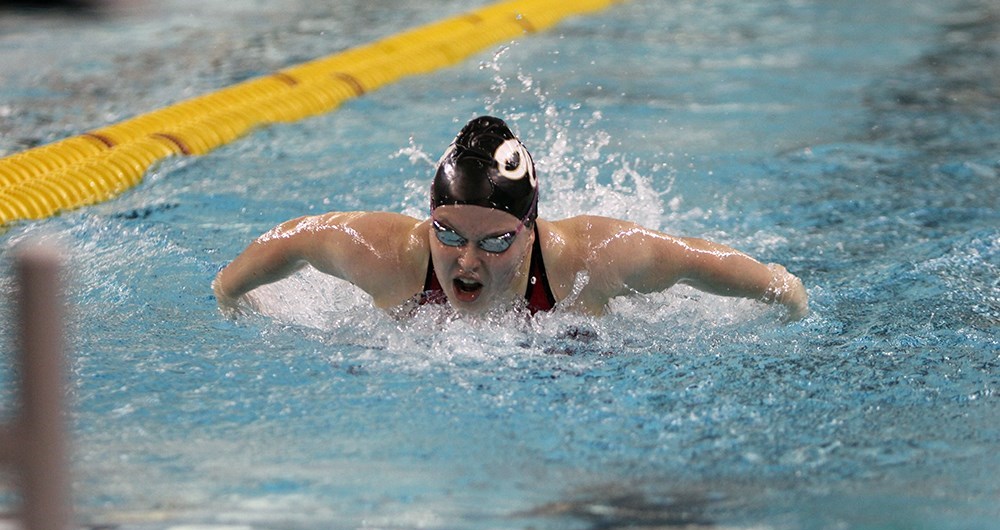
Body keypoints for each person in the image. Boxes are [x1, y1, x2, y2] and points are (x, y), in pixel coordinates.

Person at [213, 116, 808, 321]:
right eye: (447, 234)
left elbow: (690, 260)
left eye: (495, 241)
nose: (466, 261)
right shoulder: (389, 256)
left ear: (528, 231)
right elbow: (296, 240)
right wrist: (231, 296)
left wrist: (786, 294)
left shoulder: (586, 262)